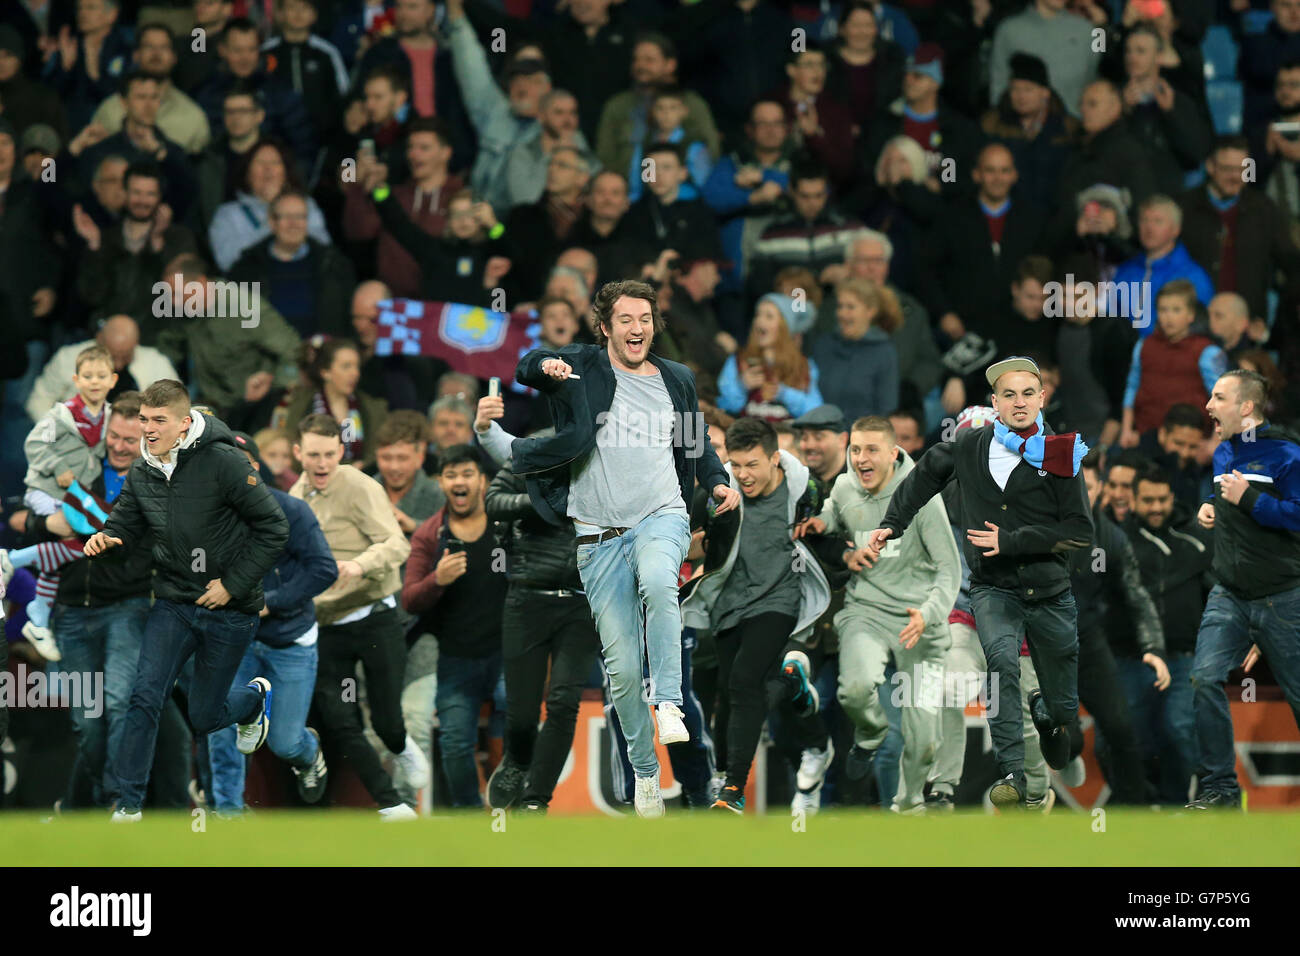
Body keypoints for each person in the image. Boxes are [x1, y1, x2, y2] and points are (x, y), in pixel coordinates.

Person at [509, 278, 740, 817]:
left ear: (654, 324)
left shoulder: (677, 379)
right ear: (606, 327)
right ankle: (644, 771)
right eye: (626, 320)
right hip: (596, 536)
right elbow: (527, 363)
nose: (637, 329)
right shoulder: (584, 365)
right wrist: (546, 368)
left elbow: (695, 444)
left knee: (662, 581)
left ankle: (669, 701)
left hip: (662, 514)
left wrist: (720, 479)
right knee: (619, 670)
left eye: (645, 319)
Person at [868, 356, 1092, 808]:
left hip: (1035, 599)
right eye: (1009, 396)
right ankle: (948, 788)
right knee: (963, 683)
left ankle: (1045, 775)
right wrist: (892, 526)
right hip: (970, 607)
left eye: (1028, 394)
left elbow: (1077, 535)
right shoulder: (949, 482)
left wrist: (1013, 544)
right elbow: (922, 484)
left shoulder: (1049, 462)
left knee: (1043, 711)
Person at [83, 380, 290, 822]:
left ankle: (253, 702)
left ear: (183, 423)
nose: (149, 429)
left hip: (230, 607)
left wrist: (232, 585)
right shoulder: (143, 468)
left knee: (203, 716)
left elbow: (274, 528)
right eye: (144, 420)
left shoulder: (225, 461)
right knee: (144, 696)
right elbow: (129, 516)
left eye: (159, 421)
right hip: (175, 599)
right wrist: (109, 534)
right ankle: (129, 805)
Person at [797, 415, 960, 812]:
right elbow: (839, 510)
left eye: (871, 450)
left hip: (917, 619)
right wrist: (823, 520)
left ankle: (906, 806)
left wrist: (929, 613)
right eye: (855, 450)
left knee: (922, 741)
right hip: (865, 611)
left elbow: (949, 569)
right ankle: (869, 734)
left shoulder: (922, 497)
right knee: (853, 690)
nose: (860, 459)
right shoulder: (846, 486)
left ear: (893, 452)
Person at [680, 417, 833, 813]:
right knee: (735, 696)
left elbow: (827, 528)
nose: (743, 475)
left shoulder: (805, 491)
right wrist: (694, 546)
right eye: (737, 465)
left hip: (780, 601)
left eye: (753, 465)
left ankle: (731, 787)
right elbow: (693, 552)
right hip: (728, 607)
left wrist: (834, 539)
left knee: (745, 679)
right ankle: (797, 698)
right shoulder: (714, 494)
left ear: (775, 459)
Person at [289, 413, 424, 819]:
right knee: (342, 720)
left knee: (386, 722)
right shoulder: (294, 500)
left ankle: (400, 746)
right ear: (299, 453)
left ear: (341, 451)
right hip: (328, 626)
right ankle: (391, 805)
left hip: (373, 619)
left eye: (330, 454)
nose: (322, 463)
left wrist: (359, 566)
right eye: (313, 454)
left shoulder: (361, 486)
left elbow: (397, 545)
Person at [476, 398, 601, 814]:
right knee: (522, 712)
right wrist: (542, 505)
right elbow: (493, 501)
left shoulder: (612, 463)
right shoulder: (531, 451)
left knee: (564, 702)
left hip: (582, 602)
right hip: (527, 596)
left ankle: (536, 799)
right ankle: (515, 760)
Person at [205, 430, 339, 815]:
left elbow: (324, 570)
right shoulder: (207, 521)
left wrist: (271, 602)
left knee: (284, 743)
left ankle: (307, 753)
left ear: (255, 467)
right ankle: (227, 814)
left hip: (289, 638)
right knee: (222, 727)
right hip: (236, 639)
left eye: (239, 465)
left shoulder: (291, 511)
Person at [1189, 368, 1300, 809]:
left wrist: (1249, 500)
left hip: (1284, 596)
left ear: (1246, 407)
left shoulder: (1287, 454)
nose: (1209, 406)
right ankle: (1219, 790)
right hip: (1229, 594)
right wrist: (1212, 504)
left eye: (1218, 398)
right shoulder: (1223, 452)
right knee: (1202, 680)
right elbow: (1227, 493)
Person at [402, 444, 507, 808]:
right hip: (456, 658)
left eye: (466, 474)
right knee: (454, 745)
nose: (458, 482)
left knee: (512, 708)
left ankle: (509, 794)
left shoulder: (506, 522)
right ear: (441, 482)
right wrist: (438, 579)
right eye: (450, 475)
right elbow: (410, 598)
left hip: (507, 651)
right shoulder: (430, 534)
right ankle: (471, 820)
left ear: (483, 481)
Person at [3, 346, 117, 661]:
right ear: (76, 379)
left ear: (113, 379)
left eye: (101, 376)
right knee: (73, 540)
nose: (95, 382)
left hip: (76, 495)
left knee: (62, 559)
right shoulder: (63, 414)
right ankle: (11, 560)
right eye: (88, 376)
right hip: (46, 489)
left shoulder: (109, 417)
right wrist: (58, 467)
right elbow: (36, 444)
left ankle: (38, 617)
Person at [1073, 450, 1167, 805]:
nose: (1083, 493)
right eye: (1075, 485)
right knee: (1065, 737)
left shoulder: (1110, 539)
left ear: (1103, 491)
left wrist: (1154, 649)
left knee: (1121, 729)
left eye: (1091, 487)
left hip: (1089, 639)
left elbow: (1137, 596)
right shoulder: (1039, 529)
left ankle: (1135, 815)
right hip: (1042, 643)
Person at [1124, 463, 1210, 804]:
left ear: (1172, 496)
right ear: (1133, 500)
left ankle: (1176, 805)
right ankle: (1142, 806)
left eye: (1162, 499)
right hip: (1133, 657)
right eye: (1148, 500)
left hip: (1185, 655)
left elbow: (1219, 591)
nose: (1157, 507)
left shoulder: (1199, 538)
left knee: (1179, 729)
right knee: (1131, 736)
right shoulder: (1118, 541)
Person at [228, 189, 357, 339]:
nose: (294, 224)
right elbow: (236, 329)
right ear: (272, 222)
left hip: (322, 356)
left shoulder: (335, 265)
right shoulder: (246, 269)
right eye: (286, 217)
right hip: (265, 357)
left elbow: (349, 323)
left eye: (300, 217)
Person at [1121, 279, 1228, 445]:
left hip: (1189, 442)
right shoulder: (1144, 346)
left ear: (1191, 314)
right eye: (1163, 310)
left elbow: (1222, 399)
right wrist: (1126, 430)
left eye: (1176, 310)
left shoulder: (1207, 352)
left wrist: (1214, 442)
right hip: (1146, 436)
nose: (1168, 317)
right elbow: (1132, 388)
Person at [208, 138, 331, 271]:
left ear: (285, 173)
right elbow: (227, 261)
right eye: (260, 163)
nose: (268, 169)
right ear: (247, 173)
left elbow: (323, 247)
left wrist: (282, 205)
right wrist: (272, 217)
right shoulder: (228, 214)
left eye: (275, 162)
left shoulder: (306, 205)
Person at [25, 316, 179, 422]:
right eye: (112, 357)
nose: (118, 365)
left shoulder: (157, 363)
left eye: (125, 356)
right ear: (99, 341)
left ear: (135, 345)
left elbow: (177, 407)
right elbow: (39, 401)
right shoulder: (68, 358)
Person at [1110, 196, 1215, 337]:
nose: (1149, 228)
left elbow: (1198, 329)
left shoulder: (1192, 277)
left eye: (1158, 221)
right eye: (1144, 220)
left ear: (1175, 230)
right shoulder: (1125, 270)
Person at [716, 296, 823, 421]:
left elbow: (816, 412)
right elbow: (723, 407)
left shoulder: (804, 366)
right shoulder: (738, 360)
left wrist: (783, 393)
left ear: (785, 326)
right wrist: (741, 386)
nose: (759, 321)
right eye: (757, 315)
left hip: (789, 437)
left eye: (769, 316)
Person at [810, 278, 900, 422]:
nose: (842, 314)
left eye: (850, 307)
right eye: (840, 306)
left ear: (870, 311)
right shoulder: (823, 345)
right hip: (821, 435)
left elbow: (886, 407)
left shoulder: (884, 352)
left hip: (862, 439)